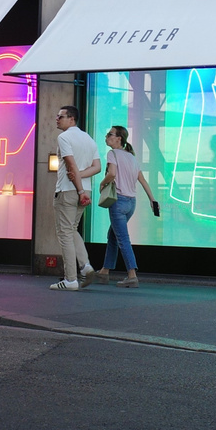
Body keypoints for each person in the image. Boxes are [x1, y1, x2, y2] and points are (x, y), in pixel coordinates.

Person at [93, 125, 157, 288]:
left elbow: (112, 173)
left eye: (110, 134)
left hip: (118, 202)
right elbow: (142, 180)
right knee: (113, 235)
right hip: (131, 203)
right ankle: (105, 271)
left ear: (118, 138)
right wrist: (152, 200)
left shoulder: (112, 154)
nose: (107, 137)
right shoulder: (132, 157)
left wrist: (102, 183)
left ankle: (132, 275)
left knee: (122, 238)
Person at [50, 105, 100, 291]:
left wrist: (78, 188)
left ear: (71, 119)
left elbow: (70, 164)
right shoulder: (88, 139)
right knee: (71, 229)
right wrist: (82, 184)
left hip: (68, 190)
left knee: (64, 234)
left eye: (60, 116)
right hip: (86, 189)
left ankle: (70, 279)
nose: (57, 119)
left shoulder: (64, 137)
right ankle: (86, 267)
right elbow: (97, 167)